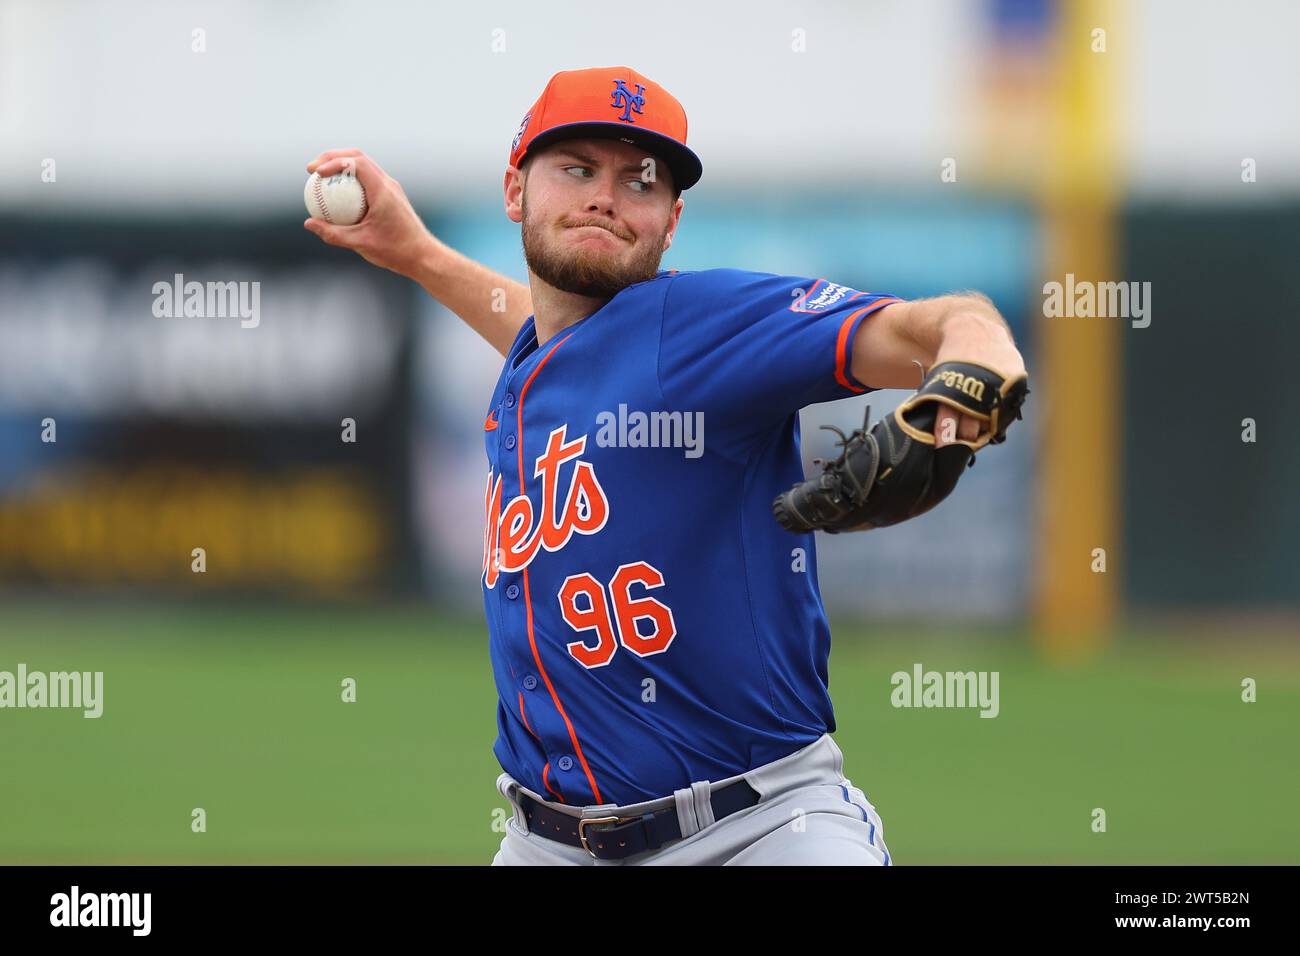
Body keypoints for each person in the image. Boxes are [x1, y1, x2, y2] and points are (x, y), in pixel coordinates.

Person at [304, 66, 1027, 865]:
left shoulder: (701, 323)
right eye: (577, 169)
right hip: (546, 842)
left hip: (756, 830)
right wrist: (414, 253)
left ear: (672, 219)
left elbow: (950, 323)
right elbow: (544, 329)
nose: (606, 197)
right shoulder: (538, 359)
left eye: (639, 180)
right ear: (516, 191)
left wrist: (969, 397)